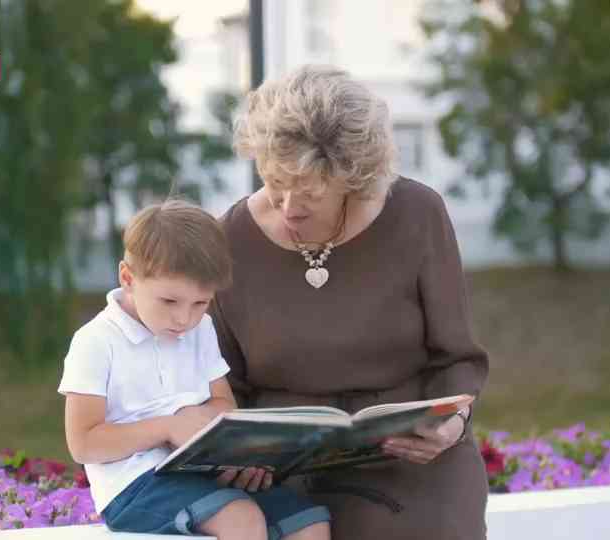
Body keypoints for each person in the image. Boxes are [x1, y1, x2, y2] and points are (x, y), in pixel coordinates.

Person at [210, 65, 490, 540]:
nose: (289, 207)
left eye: (310, 193)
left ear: (354, 179)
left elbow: (457, 357)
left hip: (410, 458)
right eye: (275, 185)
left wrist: (452, 423)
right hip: (283, 470)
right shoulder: (231, 237)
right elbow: (221, 379)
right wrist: (239, 448)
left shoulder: (417, 214)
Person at [58, 200, 331, 540]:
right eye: (170, 302)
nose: (184, 318)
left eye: (200, 303)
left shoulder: (200, 328)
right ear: (128, 278)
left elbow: (223, 405)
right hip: (133, 487)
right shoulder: (96, 341)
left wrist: (235, 453)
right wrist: (169, 427)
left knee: (308, 520)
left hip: (202, 473)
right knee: (241, 520)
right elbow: (83, 443)